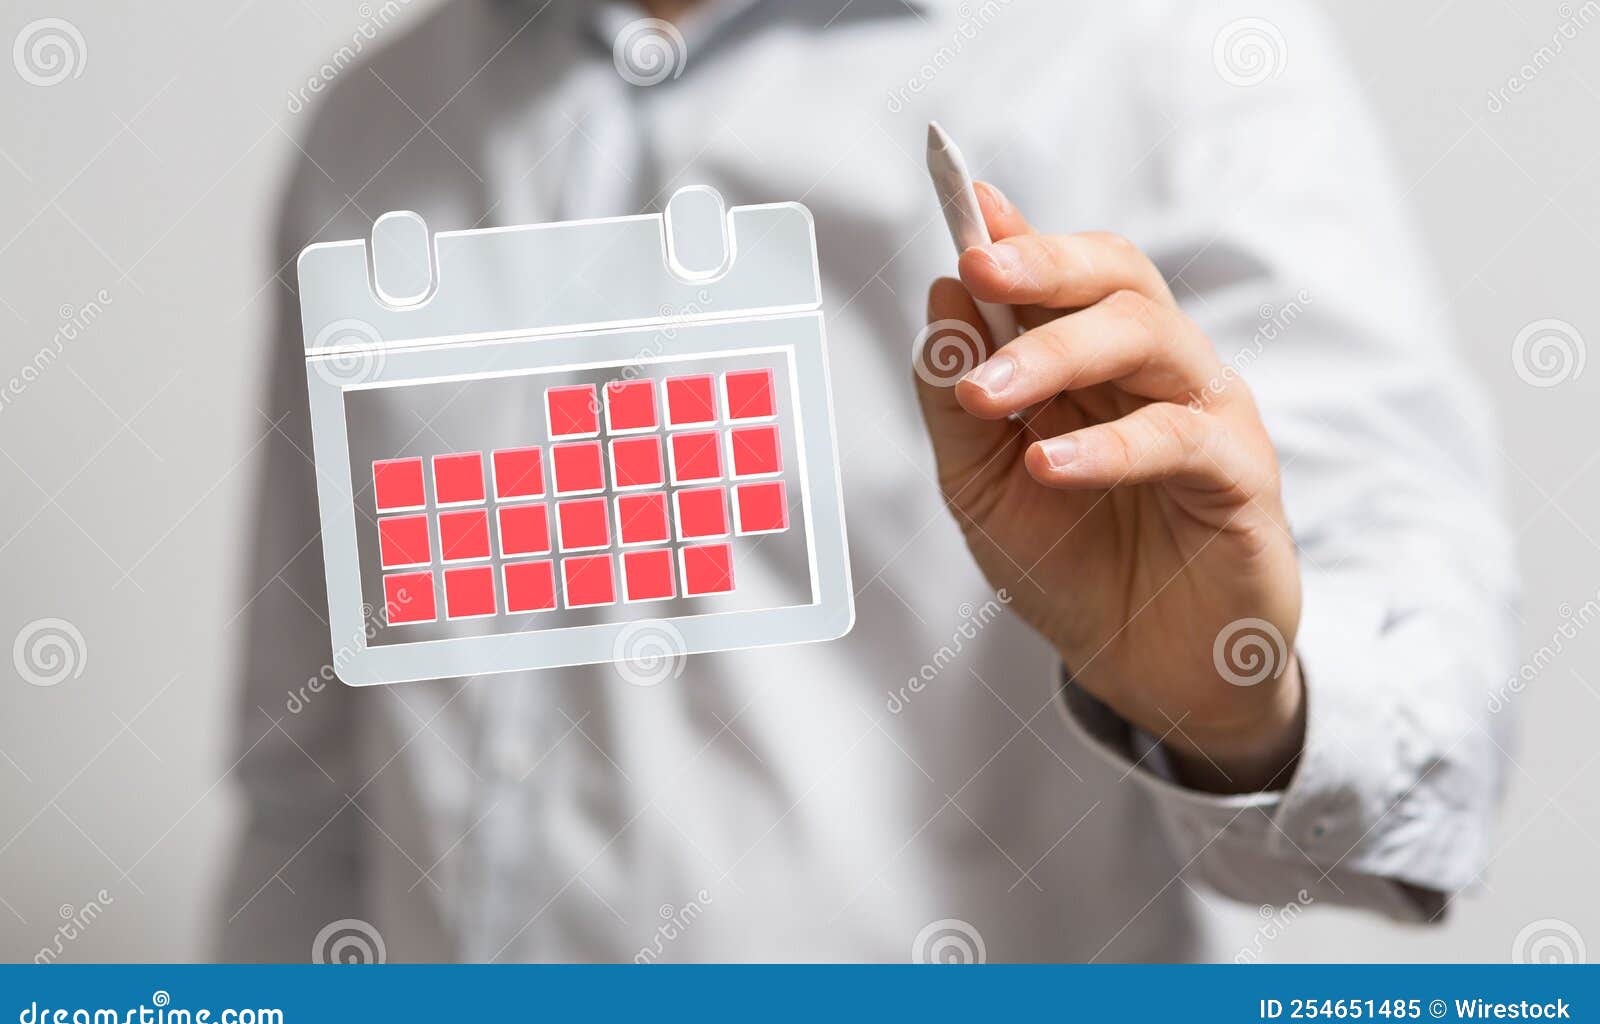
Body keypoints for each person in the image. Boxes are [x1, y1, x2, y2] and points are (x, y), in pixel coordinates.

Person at [222, 0, 1517, 961]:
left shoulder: (1166, 52)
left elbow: (1437, 695)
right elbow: (312, 783)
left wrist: (1236, 693)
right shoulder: (376, 122)